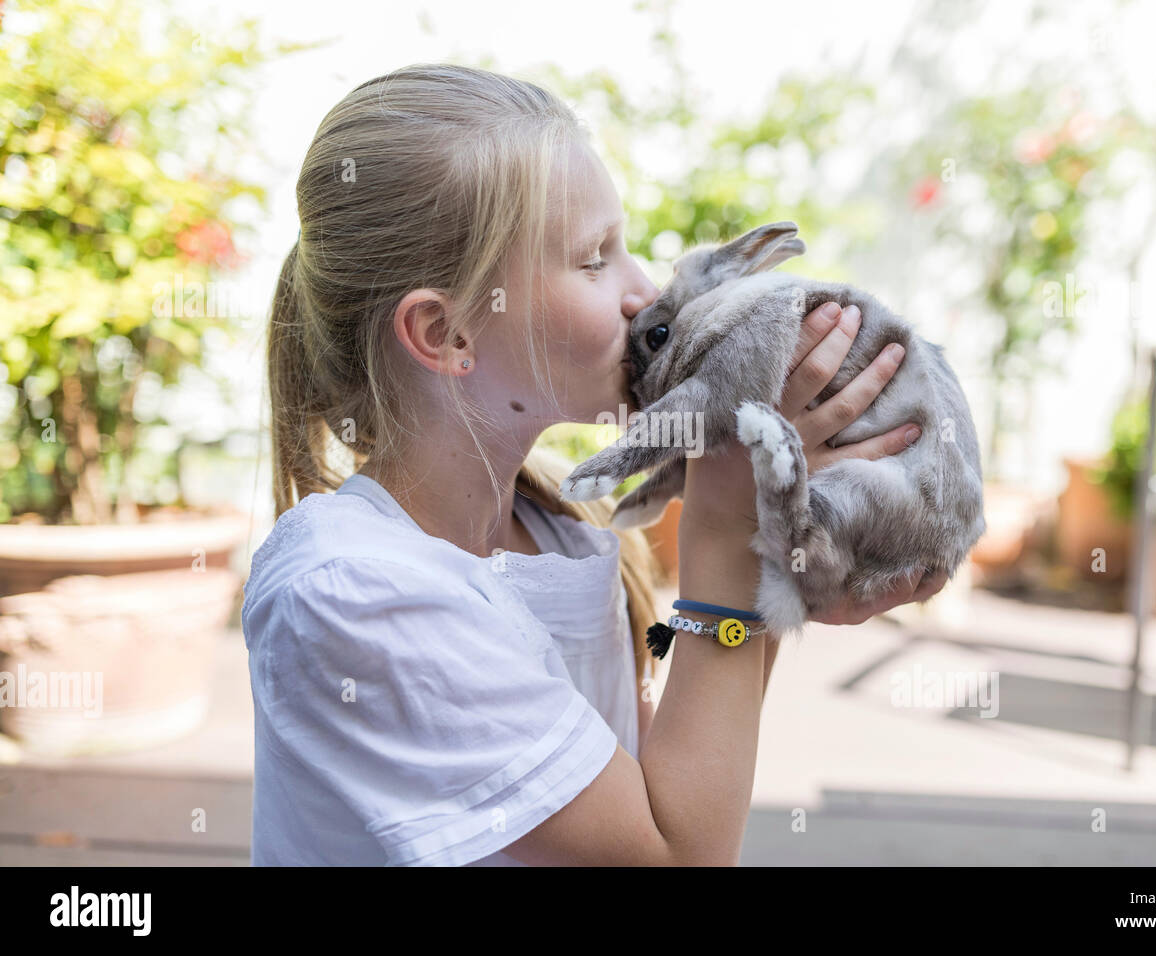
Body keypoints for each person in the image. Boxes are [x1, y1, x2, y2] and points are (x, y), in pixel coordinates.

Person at [242, 63, 947, 867]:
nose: (641, 291)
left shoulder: (552, 535)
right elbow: (678, 856)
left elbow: (667, 789)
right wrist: (725, 519)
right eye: (592, 259)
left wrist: (780, 571)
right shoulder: (358, 595)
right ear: (447, 334)